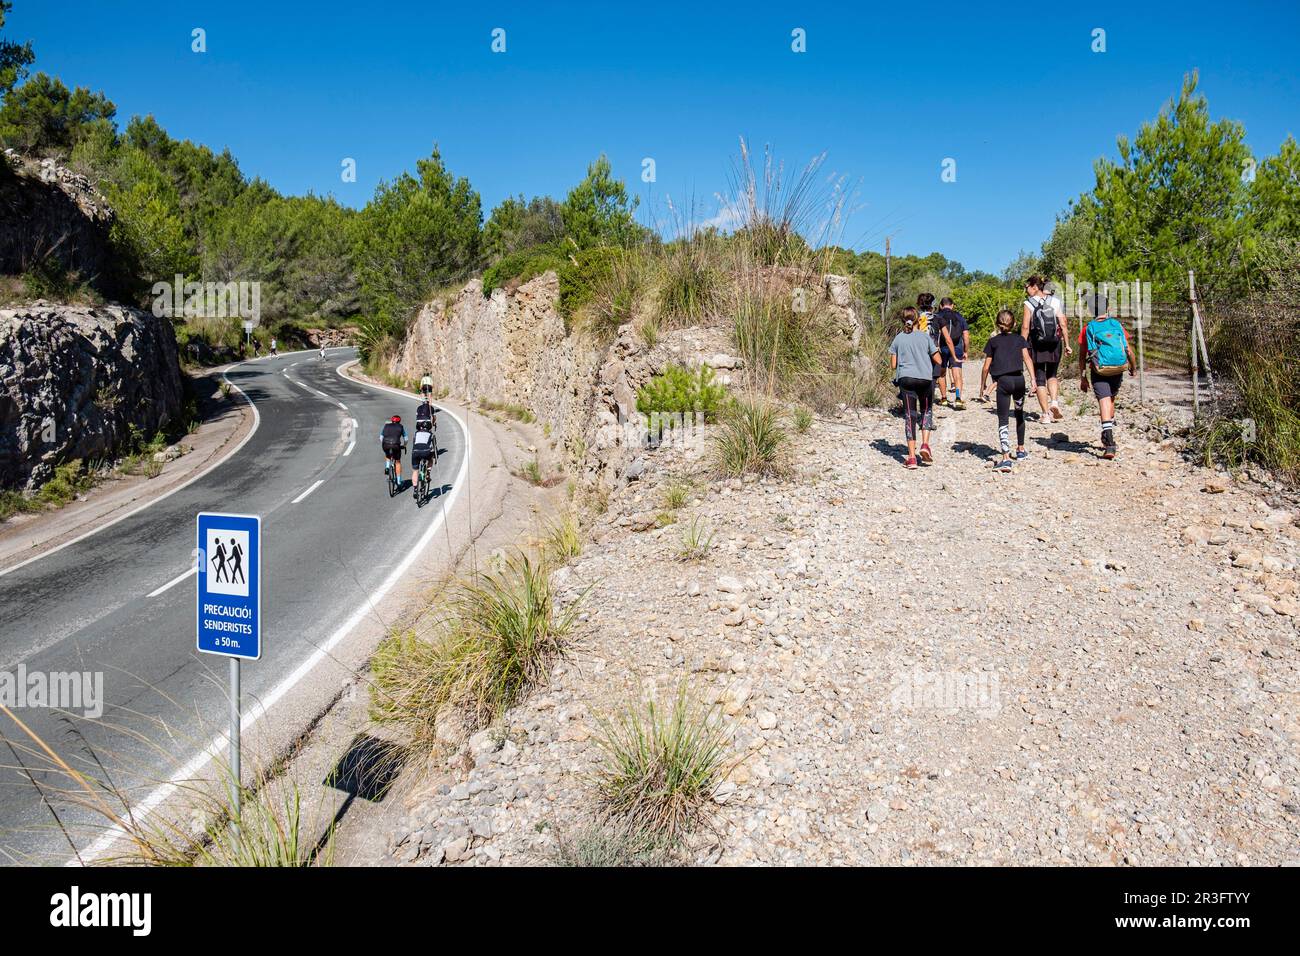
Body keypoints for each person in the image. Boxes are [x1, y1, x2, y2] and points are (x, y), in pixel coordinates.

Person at [1077, 292, 1137, 460]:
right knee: (1110, 400)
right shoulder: (1117, 325)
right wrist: (1133, 367)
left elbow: (1082, 355)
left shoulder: (1088, 328)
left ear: (1090, 310)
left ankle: (1109, 441)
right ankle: (1108, 431)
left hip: (1099, 369)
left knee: (1104, 400)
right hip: (1118, 368)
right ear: (1108, 308)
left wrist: (1083, 377)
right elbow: (1128, 350)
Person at [980, 309, 1034, 473]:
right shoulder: (1020, 339)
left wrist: (982, 386)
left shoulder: (993, 341)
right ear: (1014, 324)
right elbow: (1027, 359)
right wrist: (1033, 380)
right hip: (1019, 381)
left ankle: (1005, 458)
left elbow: (986, 367)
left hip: (1003, 383)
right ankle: (1021, 449)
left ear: (998, 324)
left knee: (1003, 419)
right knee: (1019, 413)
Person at [889, 306, 942, 469]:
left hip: (906, 379)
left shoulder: (898, 339)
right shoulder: (925, 338)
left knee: (910, 416)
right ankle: (925, 444)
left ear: (903, 321)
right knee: (926, 410)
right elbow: (938, 360)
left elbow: (893, 365)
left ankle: (911, 458)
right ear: (918, 319)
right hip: (925, 379)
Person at [1021, 276, 1071, 422]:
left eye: (1026, 287)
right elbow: (1063, 323)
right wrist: (1067, 344)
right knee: (1053, 374)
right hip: (1054, 343)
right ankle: (1054, 402)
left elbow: (1025, 327)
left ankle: (1045, 414)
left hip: (1037, 344)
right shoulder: (1055, 301)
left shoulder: (1028, 303)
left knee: (1040, 377)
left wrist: (1021, 345)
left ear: (1034, 287)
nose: (1026, 290)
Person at [935, 297, 969, 409]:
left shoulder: (938, 316)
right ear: (952, 305)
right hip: (957, 347)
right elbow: (966, 336)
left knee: (941, 372)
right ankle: (958, 399)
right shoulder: (959, 317)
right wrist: (965, 350)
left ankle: (944, 398)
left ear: (941, 305)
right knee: (957, 372)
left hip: (942, 347)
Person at [380, 415, 407, 486]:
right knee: (398, 462)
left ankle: (387, 467)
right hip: (396, 445)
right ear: (399, 421)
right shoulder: (401, 427)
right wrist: (404, 445)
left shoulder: (386, 426)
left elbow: (381, 437)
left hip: (385, 445)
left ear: (392, 421)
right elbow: (406, 439)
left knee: (387, 455)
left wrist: (384, 443)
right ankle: (398, 481)